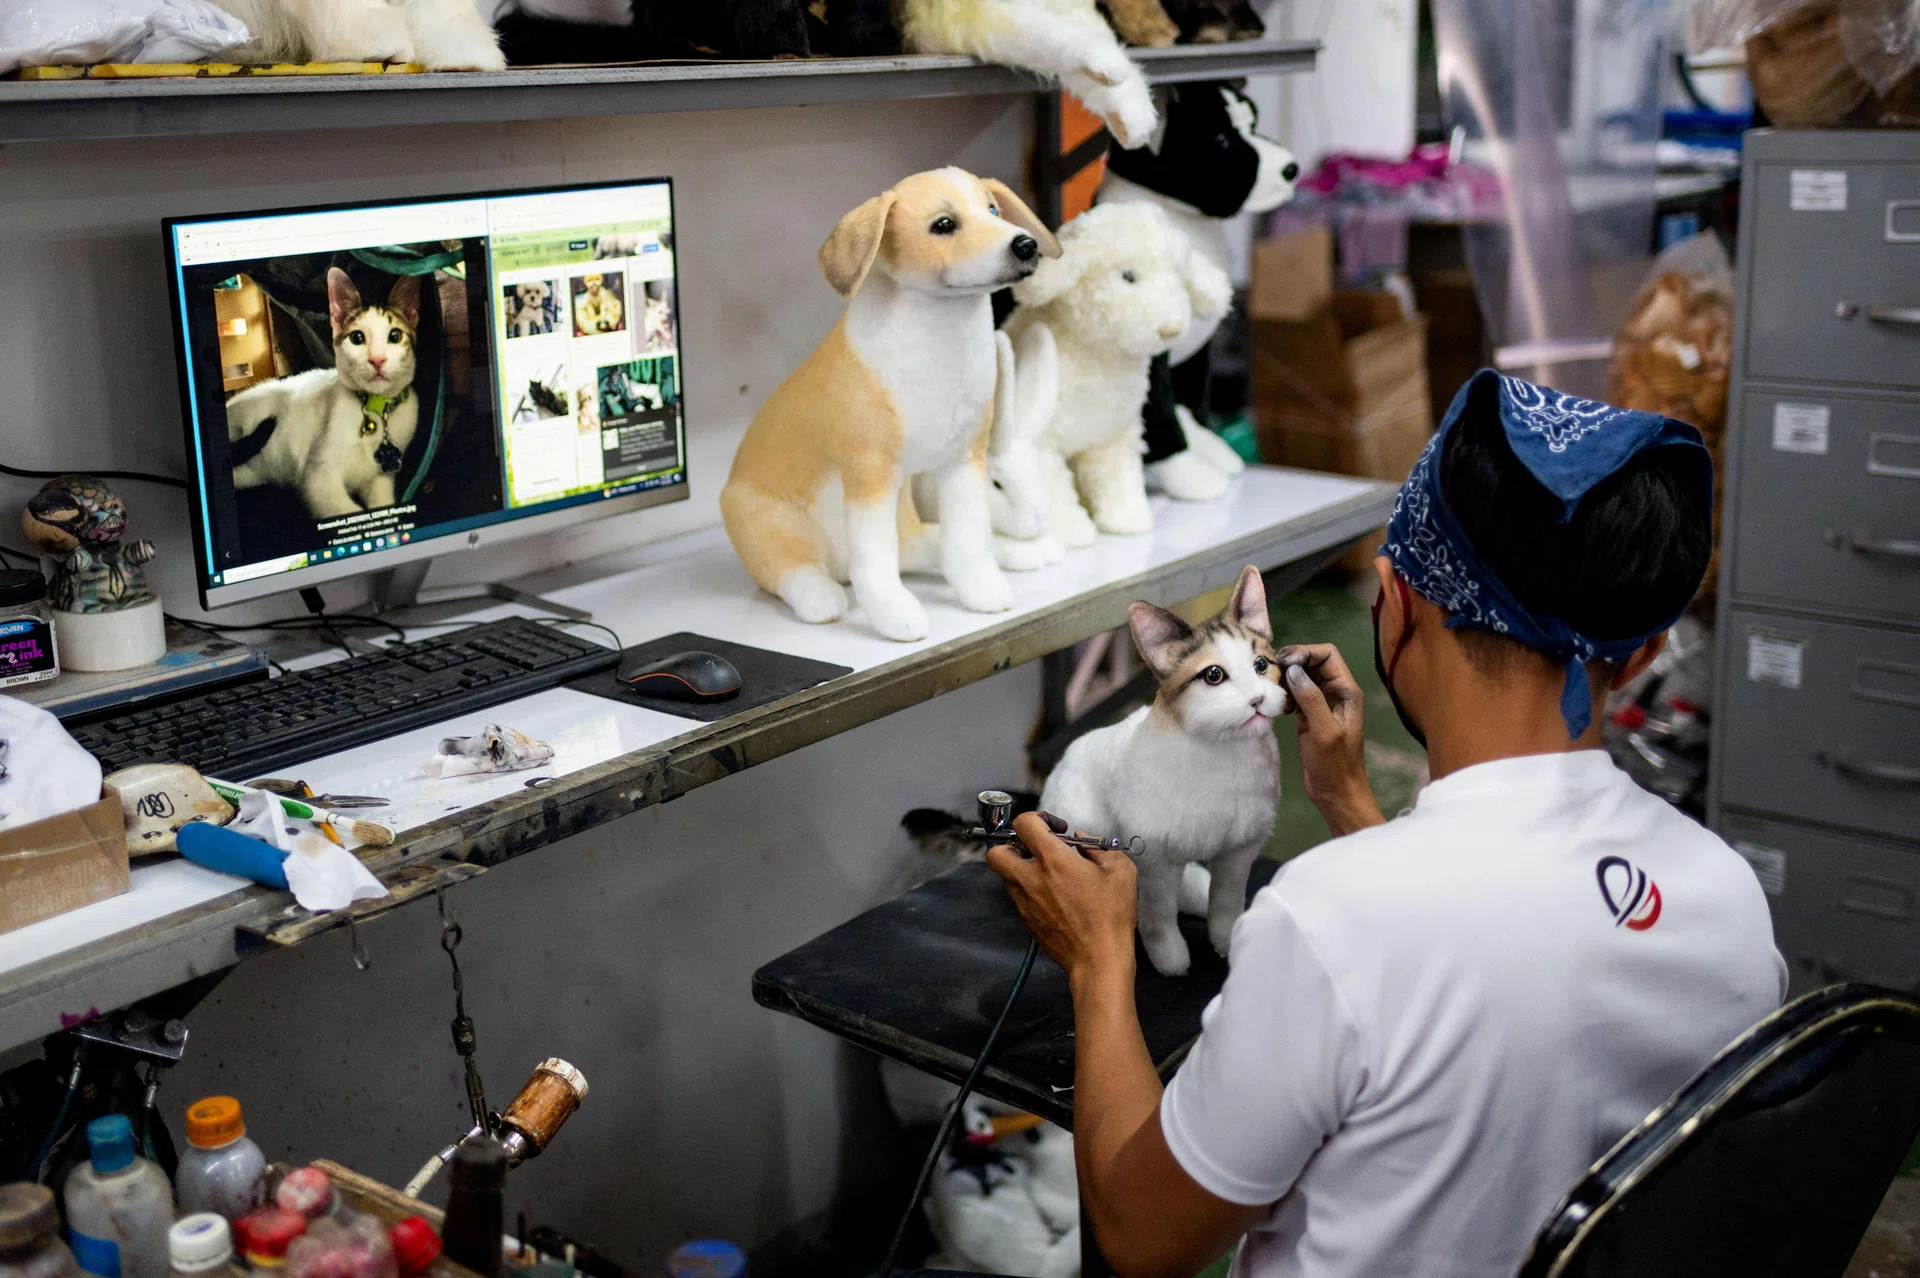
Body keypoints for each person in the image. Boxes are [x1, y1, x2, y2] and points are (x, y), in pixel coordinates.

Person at [986, 370, 1786, 1278]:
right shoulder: (1726, 896)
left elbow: (1142, 1239)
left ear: (1394, 601)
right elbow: (1499, 957)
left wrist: (1098, 959)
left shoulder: (1331, 921)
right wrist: (1352, 808)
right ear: (1642, 653)